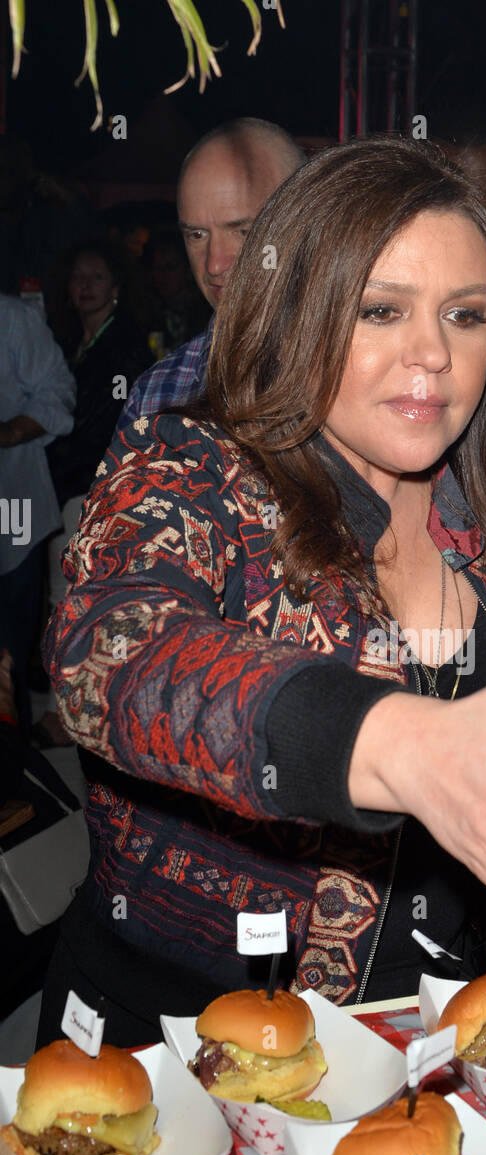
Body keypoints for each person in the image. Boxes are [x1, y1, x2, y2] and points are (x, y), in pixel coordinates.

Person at [40, 138, 486, 1045]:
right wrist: (396, 742)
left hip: (429, 1047)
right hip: (177, 1049)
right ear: (299, 315)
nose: (433, 355)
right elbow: (110, 655)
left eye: (464, 314)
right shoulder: (190, 466)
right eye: (380, 310)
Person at [32, 243, 152, 748]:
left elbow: (97, 427)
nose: (84, 285)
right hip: (73, 487)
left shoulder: (122, 348)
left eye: (96, 276)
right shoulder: (69, 341)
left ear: (117, 287)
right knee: (65, 600)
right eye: (78, 276)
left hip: (94, 489)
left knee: (76, 601)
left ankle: (76, 713)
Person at [117, 118, 304, 430]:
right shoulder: (155, 396)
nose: (214, 265)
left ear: (304, 222)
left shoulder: (365, 374)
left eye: (242, 231)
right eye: (197, 235)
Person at [0, 294, 75, 730]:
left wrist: (11, 429)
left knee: (10, 627)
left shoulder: (11, 318)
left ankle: (15, 767)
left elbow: (59, 392)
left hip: (13, 499)